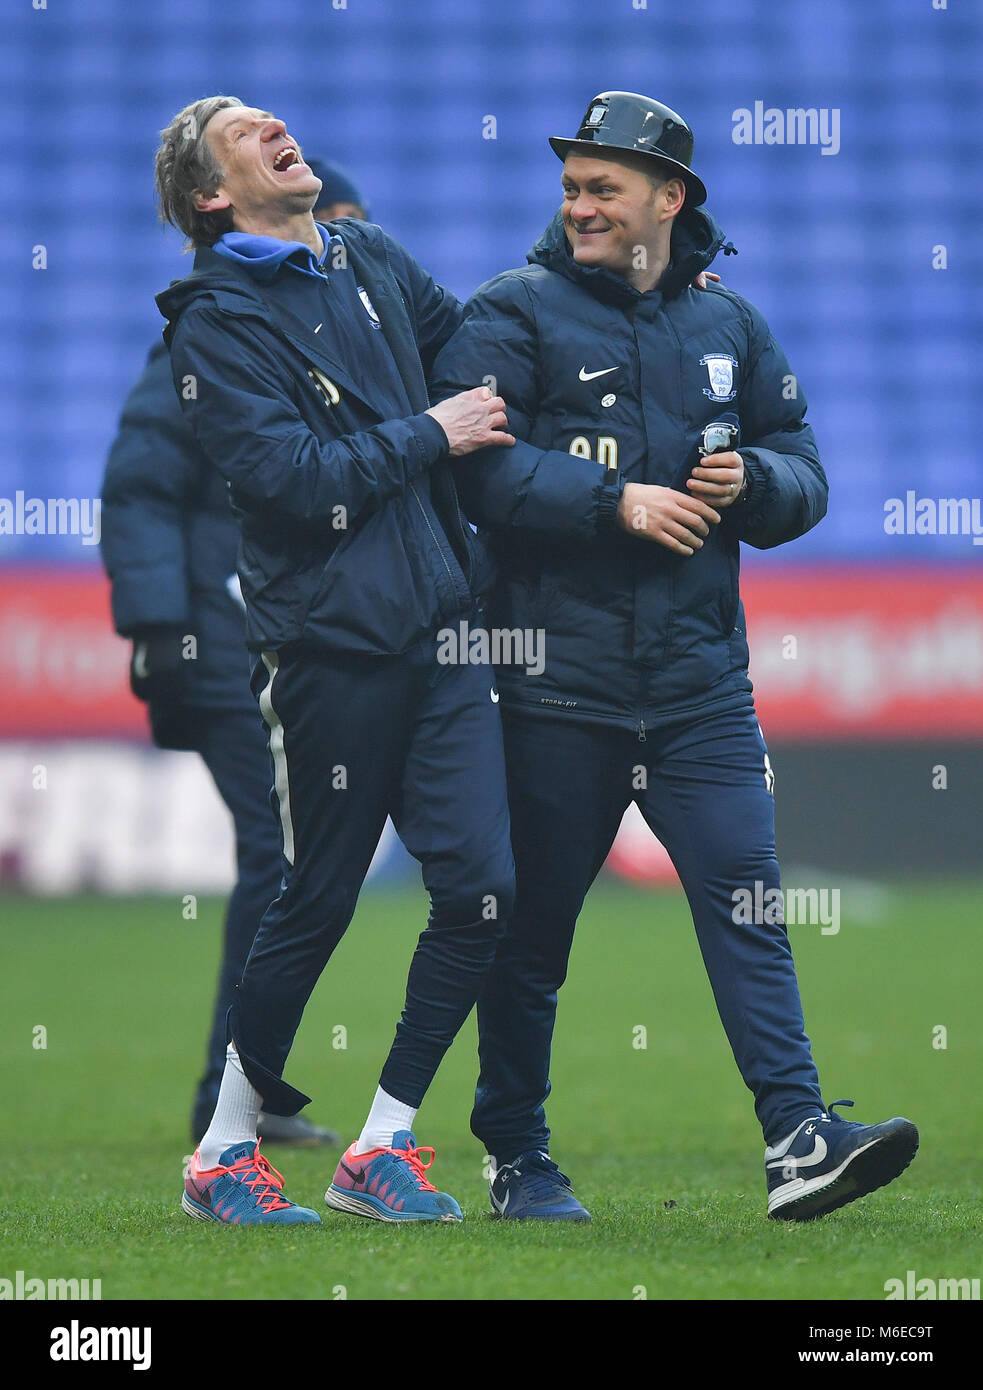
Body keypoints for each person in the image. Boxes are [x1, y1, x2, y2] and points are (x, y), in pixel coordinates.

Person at [431, 91, 918, 1223]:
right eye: (569, 187)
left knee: (750, 909)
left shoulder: (728, 325)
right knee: (533, 940)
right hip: (553, 687)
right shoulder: (512, 310)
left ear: (669, 198)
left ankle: (798, 1137)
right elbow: (474, 471)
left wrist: (754, 481)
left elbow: (801, 467)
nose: (579, 205)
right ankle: (514, 1153)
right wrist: (614, 504)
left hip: (699, 692)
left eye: (603, 186)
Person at [153, 95, 516, 1226]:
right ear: (214, 196)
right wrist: (430, 433)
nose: (272, 125)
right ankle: (220, 1155)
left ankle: (381, 1143)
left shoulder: (366, 254)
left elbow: (476, 352)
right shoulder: (213, 321)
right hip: (329, 650)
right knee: (314, 897)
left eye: (271, 115)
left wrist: (620, 304)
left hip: (440, 633)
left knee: (483, 891)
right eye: (239, 129)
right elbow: (294, 481)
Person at [100, 159, 371, 1150]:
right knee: (278, 852)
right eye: (333, 227)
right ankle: (235, 1095)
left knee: (288, 858)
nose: (337, 252)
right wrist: (161, 630)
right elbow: (139, 485)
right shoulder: (211, 339)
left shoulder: (332, 354)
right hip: (218, 633)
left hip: (281, 637)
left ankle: (243, 1085)